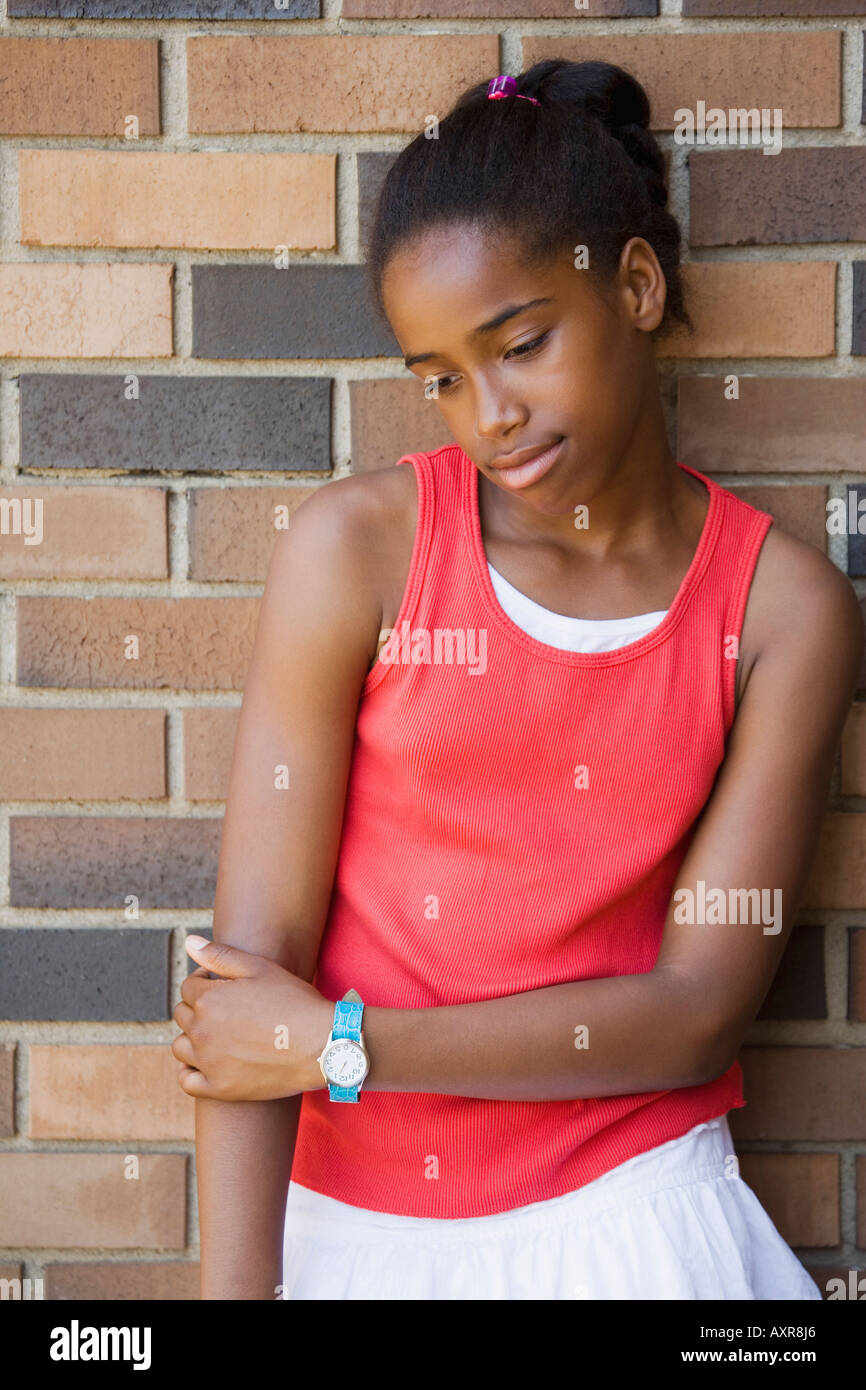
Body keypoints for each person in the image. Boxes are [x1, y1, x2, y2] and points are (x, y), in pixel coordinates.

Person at [171, 59, 863, 1300]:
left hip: (633, 1212)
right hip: (352, 1231)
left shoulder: (780, 612)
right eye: (439, 376)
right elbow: (244, 994)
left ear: (635, 287)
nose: (486, 412)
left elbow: (695, 1009)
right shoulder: (359, 551)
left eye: (521, 343)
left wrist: (342, 1046)